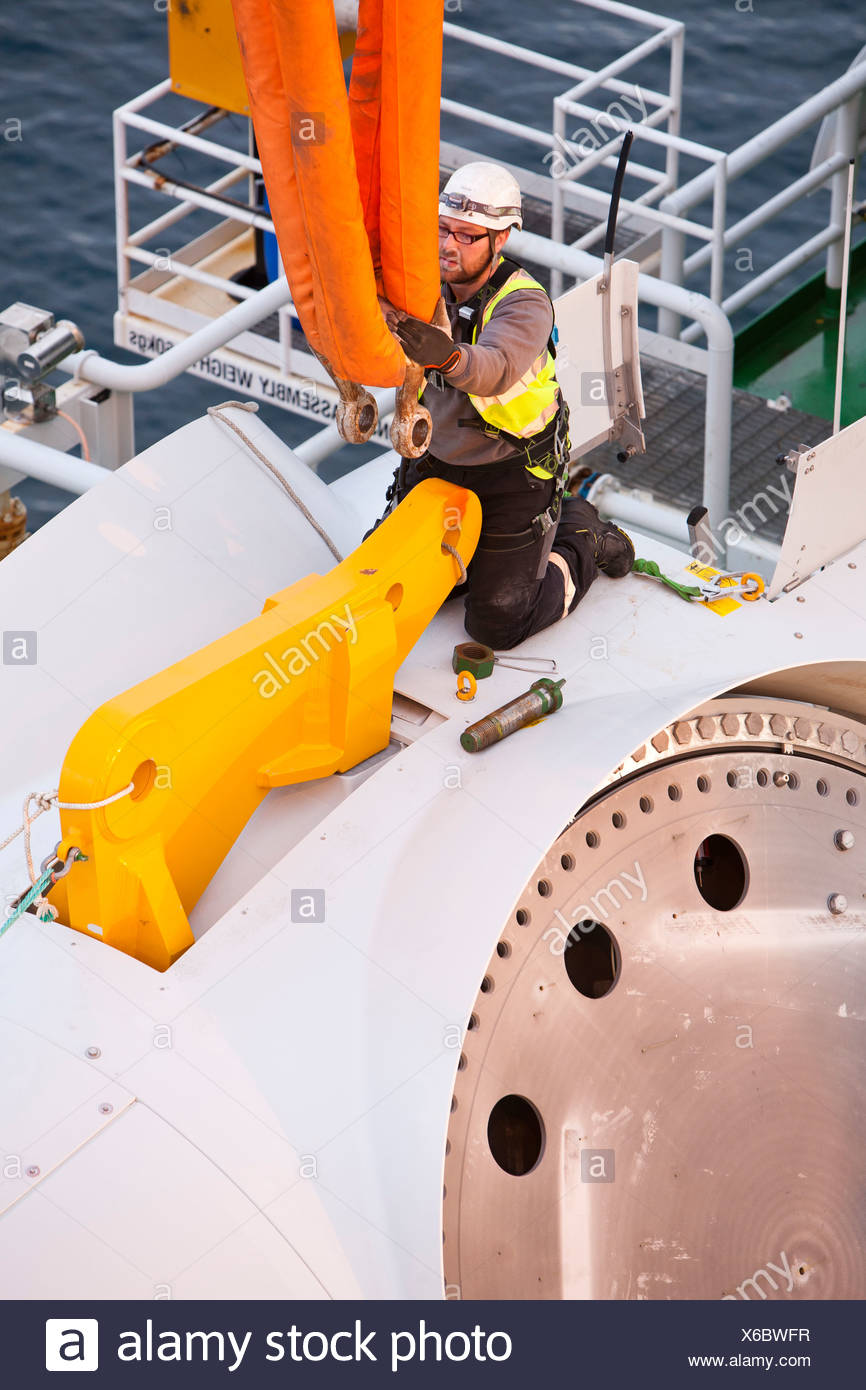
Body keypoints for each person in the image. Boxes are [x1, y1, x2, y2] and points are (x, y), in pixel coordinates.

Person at [372, 161, 634, 651]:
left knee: (498, 623)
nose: (448, 246)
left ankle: (582, 534)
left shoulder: (525, 304)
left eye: (467, 236)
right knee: (389, 585)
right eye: (443, 230)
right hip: (437, 459)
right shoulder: (419, 282)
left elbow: (492, 369)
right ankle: (474, 559)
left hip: (515, 470)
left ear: (501, 240)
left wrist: (445, 354)